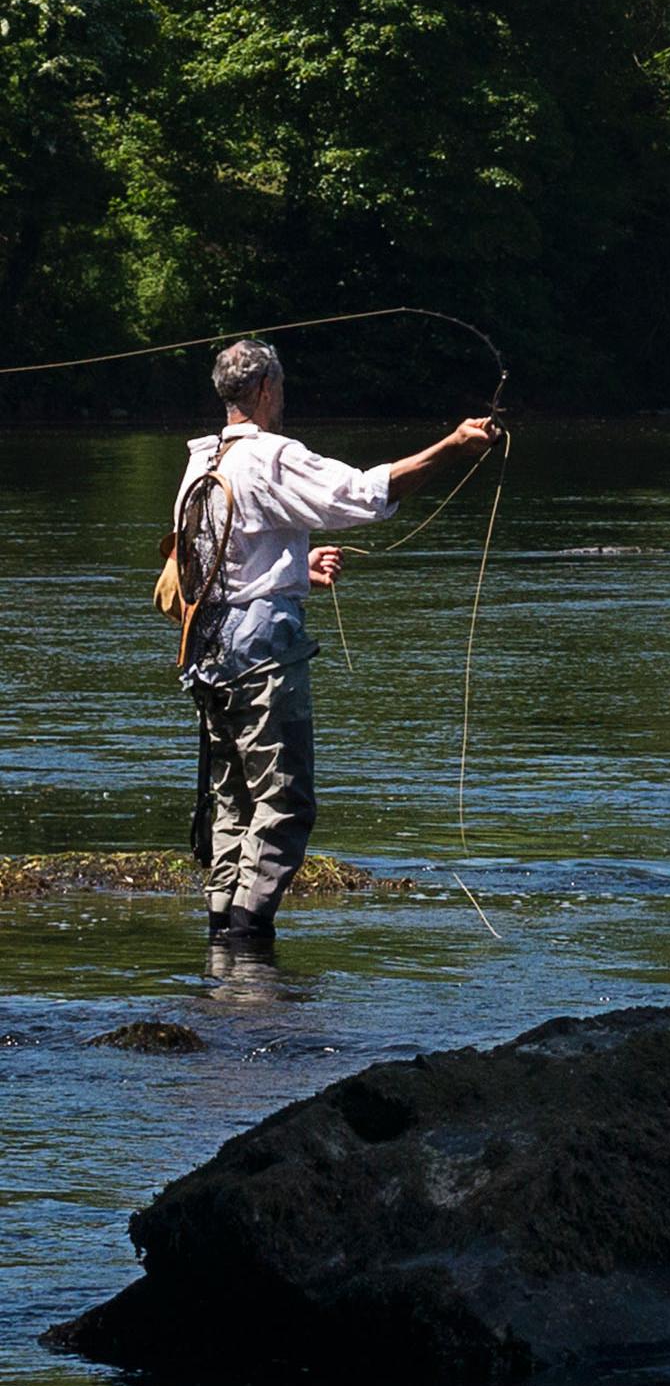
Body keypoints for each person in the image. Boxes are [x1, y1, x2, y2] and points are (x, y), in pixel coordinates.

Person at [169, 338, 499, 959]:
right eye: (283, 388)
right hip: (262, 653)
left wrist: (297, 564)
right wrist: (453, 448)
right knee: (285, 803)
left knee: (233, 803)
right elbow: (366, 495)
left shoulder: (201, 459)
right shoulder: (269, 457)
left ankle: (221, 945)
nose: (284, 399)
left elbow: (223, 555)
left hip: (209, 652)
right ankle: (249, 942)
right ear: (266, 387)